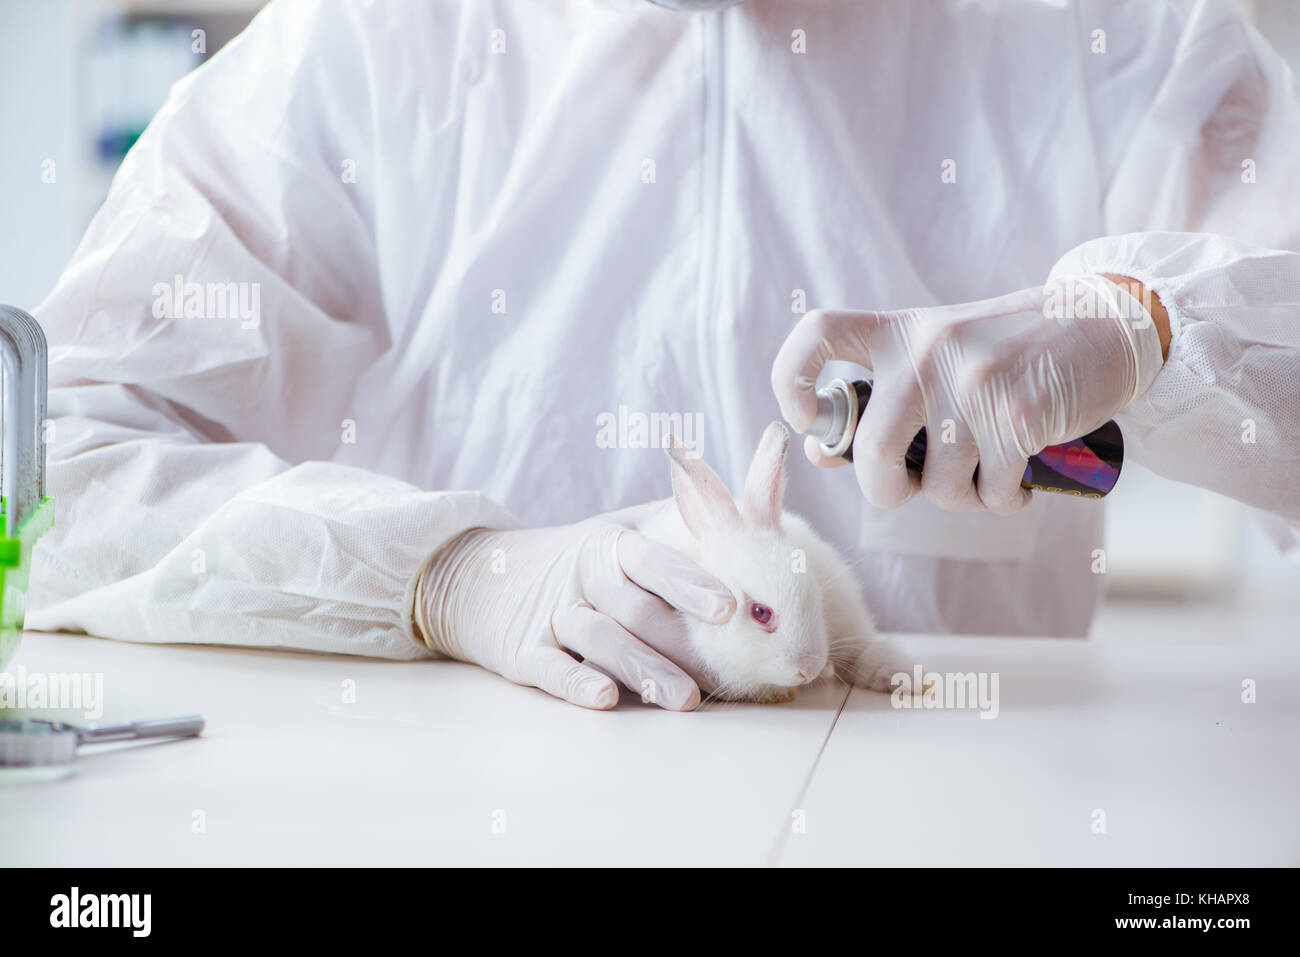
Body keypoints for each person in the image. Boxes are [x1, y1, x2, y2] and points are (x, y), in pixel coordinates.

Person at [28, 0, 1300, 710]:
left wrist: (1164, 329)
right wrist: (441, 575)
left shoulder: (1117, 37)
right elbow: (54, 466)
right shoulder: (356, 56)